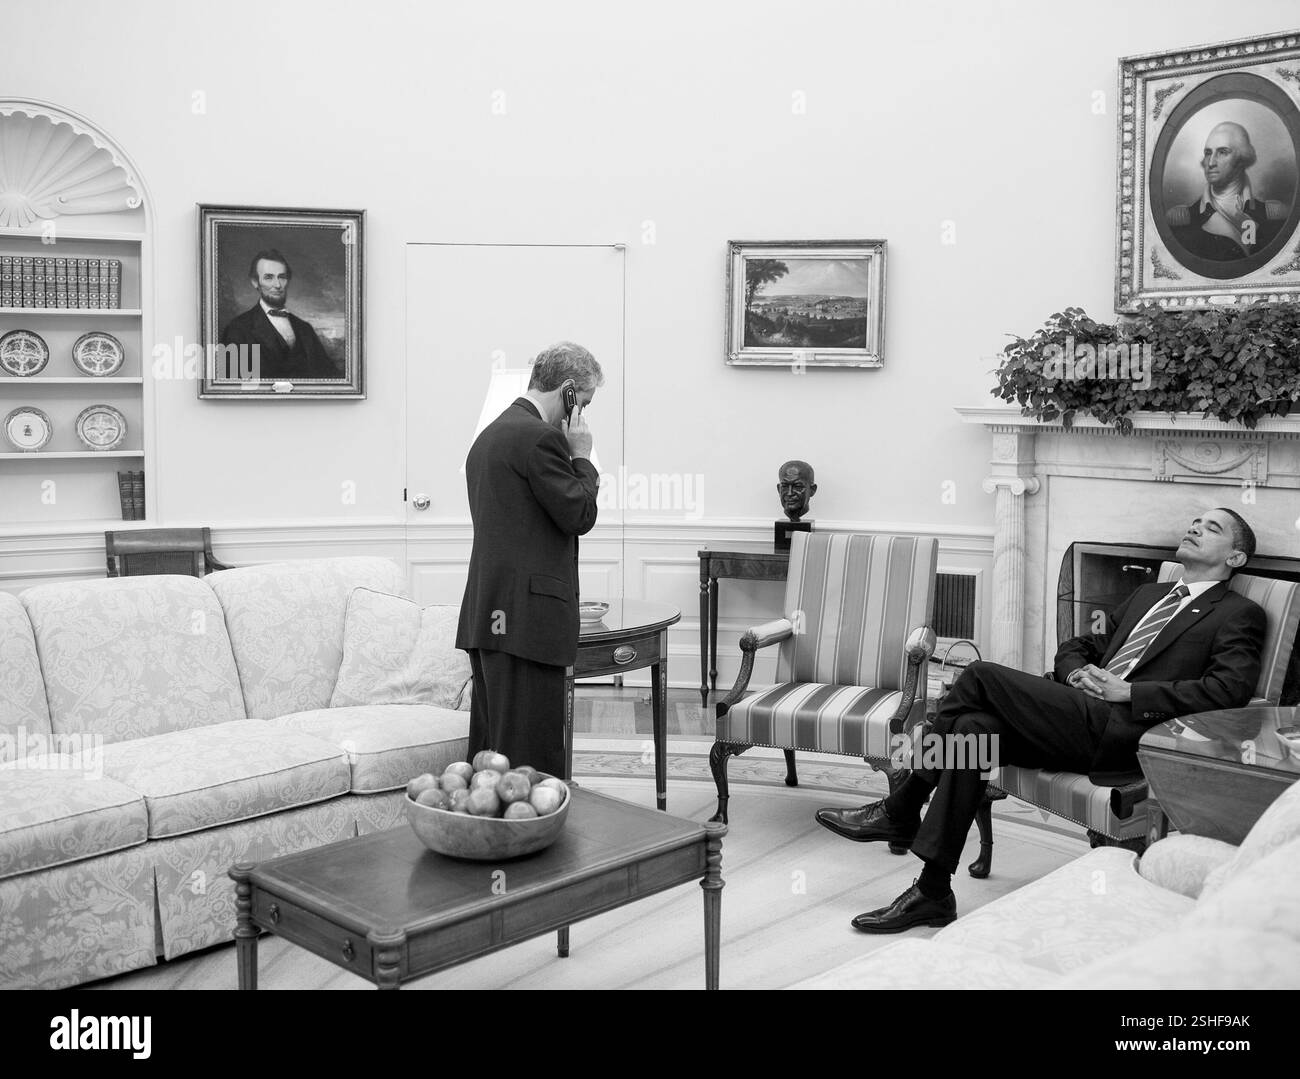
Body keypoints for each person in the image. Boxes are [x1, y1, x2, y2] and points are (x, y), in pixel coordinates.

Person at [816, 507, 1266, 933]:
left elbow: (1229, 691)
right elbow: (1082, 645)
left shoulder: (1238, 614)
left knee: (979, 675)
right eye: (1195, 521)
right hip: (1075, 715)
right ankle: (933, 891)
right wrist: (1075, 672)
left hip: (1122, 731)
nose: (1194, 527)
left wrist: (1128, 691)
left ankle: (903, 801)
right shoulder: (1149, 595)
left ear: (1235, 556)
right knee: (975, 730)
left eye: (1211, 528)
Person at [456, 342, 603, 778]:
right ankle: (535, 843)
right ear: (569, 391)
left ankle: (487, 838)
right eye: (585, 403)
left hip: (491, 615)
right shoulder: (540, 438)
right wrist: (581, 455)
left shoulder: (492, 433)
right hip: (526, 621)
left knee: (491, 753)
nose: (581, 416)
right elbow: (580, 514)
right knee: (530, 763)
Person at [1167, 122, 1288, 262]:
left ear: (1241, 159)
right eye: (1208, 153)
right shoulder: (1183, 220)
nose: (1211, 162)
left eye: (1223, 152)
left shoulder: (1273, 215)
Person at [220, 249, 340, 379]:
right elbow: (231, 385)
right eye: (268, 277)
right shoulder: (238, 329)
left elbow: (330, 376)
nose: (277, 285)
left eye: (282, 277)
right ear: (255, 282)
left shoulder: (305, 329)